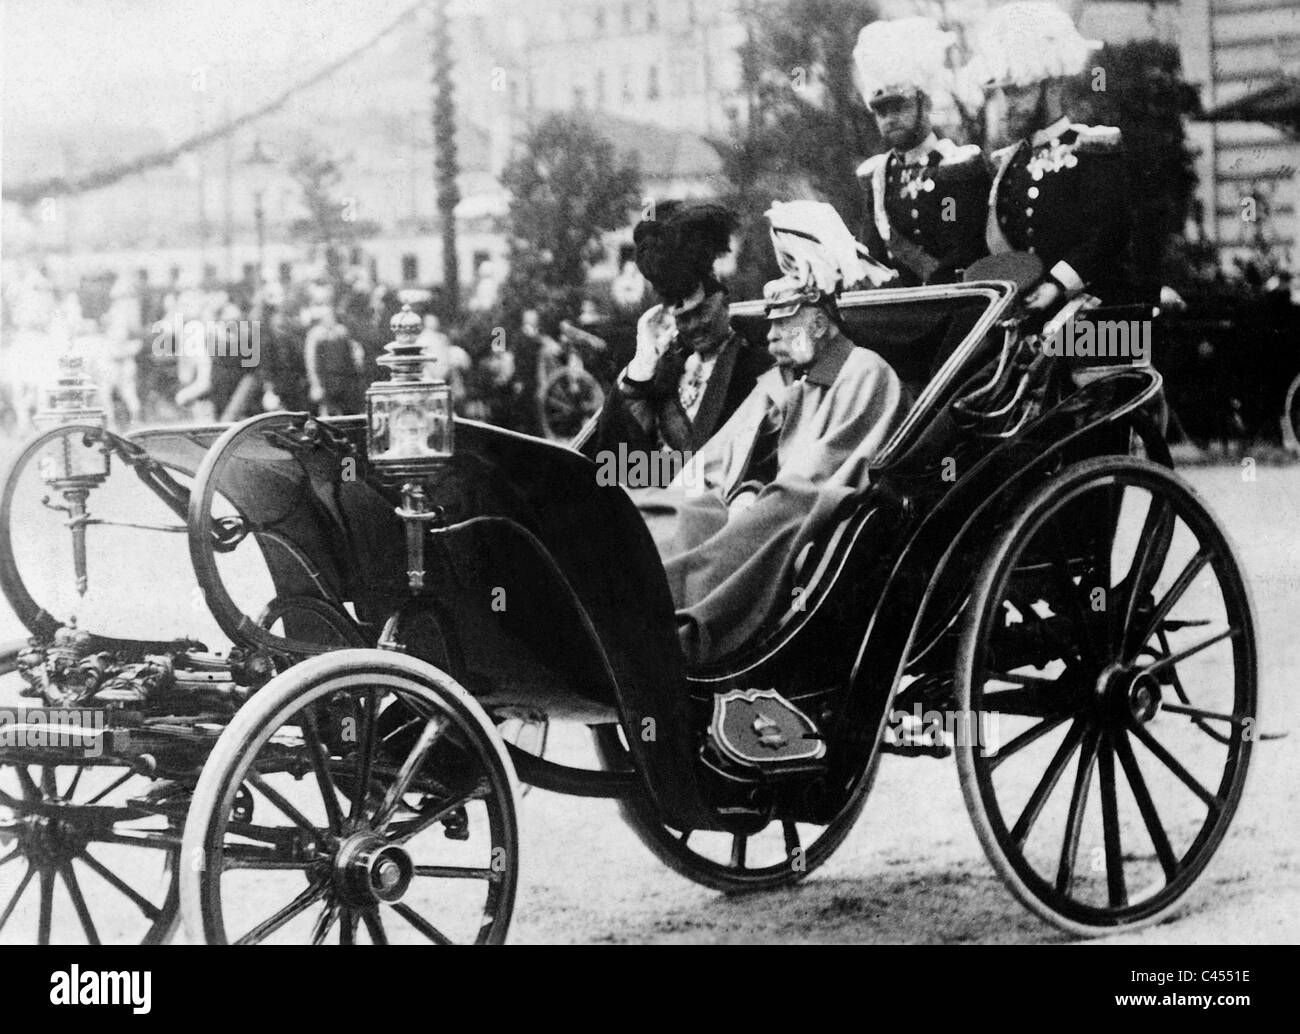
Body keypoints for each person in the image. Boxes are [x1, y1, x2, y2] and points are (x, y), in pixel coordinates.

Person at [634, 201, 911, 664]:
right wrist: (705, 489)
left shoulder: (866, 372)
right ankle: (631, 585)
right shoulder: (785, 381)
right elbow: (722, 454)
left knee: (755, 519)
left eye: (784, 324)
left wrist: (752, 498)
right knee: (690, 504)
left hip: (807, 504)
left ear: (820, 324)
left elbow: (824, 472)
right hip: (760, 494)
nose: (771, 337)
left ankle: (676, 622)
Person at [576, 202, 773, 469]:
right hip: (652, 496)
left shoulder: (754, 366)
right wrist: (642, 364)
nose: (694, 326)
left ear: (724, 301)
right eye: (683, 317)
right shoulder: (666, 366)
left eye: (701, 311)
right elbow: (617, 459)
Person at [968, 1, 1130, 309]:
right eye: (1006, 93)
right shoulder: (1007, 163)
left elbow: (1108, 233)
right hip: (1024, 310)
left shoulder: (1092, 149)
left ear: (1052, 85)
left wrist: (1057, 285)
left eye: (1020, 91)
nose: (1009, 104)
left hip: (1089, 310)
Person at [854, 17, 990, 286]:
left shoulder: (956, 168)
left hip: (952, 303)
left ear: (925, 104)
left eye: (899, 107)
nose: (890, 118)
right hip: (901, 310)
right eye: (881, 110)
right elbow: (873, 255)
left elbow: (963, 251)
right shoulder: (879, 178)